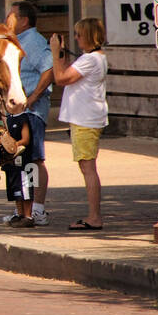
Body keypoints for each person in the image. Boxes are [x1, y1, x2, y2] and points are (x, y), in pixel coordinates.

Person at [52, 17, 107, 230]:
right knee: (87, 166)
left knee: (88, 167)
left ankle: (94, 217)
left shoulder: (90, 60)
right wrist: (63, 54)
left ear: (88, 35)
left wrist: (56, 52)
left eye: (79, 34)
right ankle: (94, 215)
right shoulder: (94, 57)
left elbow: (60, 78)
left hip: (85, 119)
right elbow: (68, 72)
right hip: (88, 118)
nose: (76, 38)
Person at [4, 0, 53, 225]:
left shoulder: (32, 41)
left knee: (33, 160)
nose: (7, 19)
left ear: (23, 20)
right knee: (15, 161)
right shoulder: (17, 42)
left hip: (31, 113)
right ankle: (21, 211)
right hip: (16, 112)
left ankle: (37, 210)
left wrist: (32, 98)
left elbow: (49, 69)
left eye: (11, 16)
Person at [0, 110, 33, 226]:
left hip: (23, 162)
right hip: (11, 162)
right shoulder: (6, 119)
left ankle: (28, 216)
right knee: (15, 189)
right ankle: (19, 214)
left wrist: (13, 145)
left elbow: (26, 139)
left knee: (25, 188)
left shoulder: (23, 118)